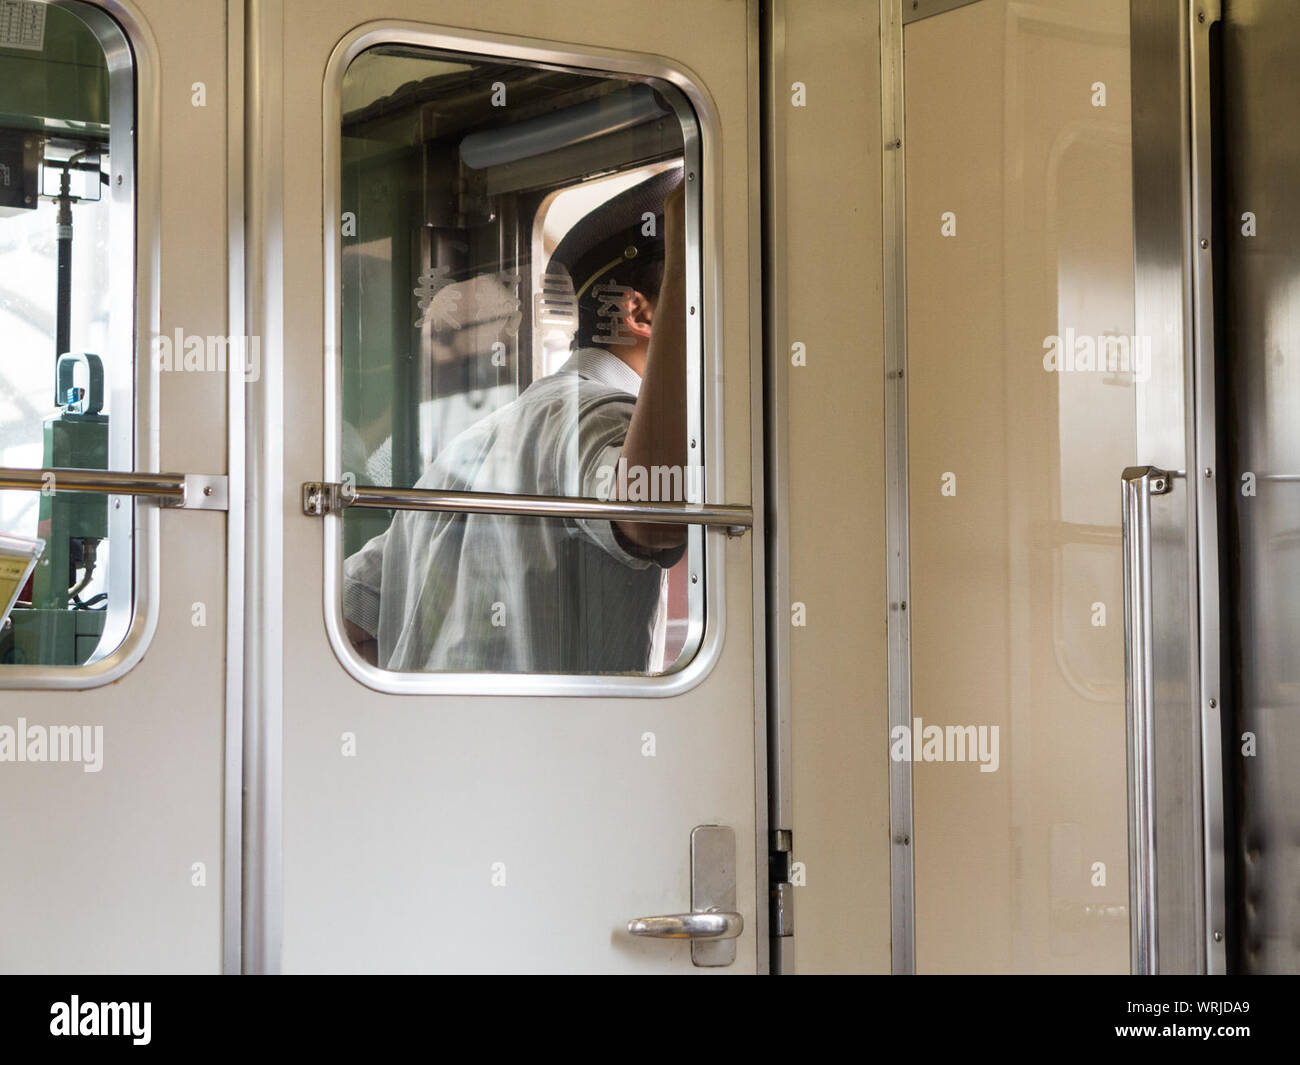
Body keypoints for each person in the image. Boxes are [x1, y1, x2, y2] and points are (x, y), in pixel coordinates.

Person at [342, 168, 688, 673]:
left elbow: (350, 619)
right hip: (565, 750)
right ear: (638, 312)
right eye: (698, 302)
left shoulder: (471, 444)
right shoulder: (598, 417)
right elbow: (651, 517)